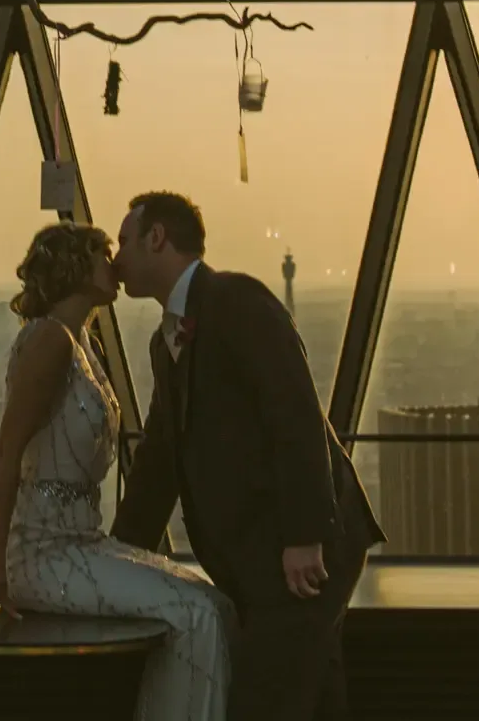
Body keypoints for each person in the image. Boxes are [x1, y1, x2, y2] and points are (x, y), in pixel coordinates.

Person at [111, 191, 383, 721]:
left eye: (124, 241)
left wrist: (304, 534)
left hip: (301, 556)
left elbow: (295, 412)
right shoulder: (166, 341)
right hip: (267, 560)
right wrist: (122, 559)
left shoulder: (236, 302)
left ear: (157, 238)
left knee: (267, 700)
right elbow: (159, 464)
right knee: (311, 694)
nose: (116, 257)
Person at [0, 221, 232, 721]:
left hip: (81, 544)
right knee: (198, 612)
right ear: (74, 265)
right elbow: (6, 456)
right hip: (45, 555)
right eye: (102, 254)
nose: (114, 265)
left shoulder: (81, 344)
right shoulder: (50, 342)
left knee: (210, 606)